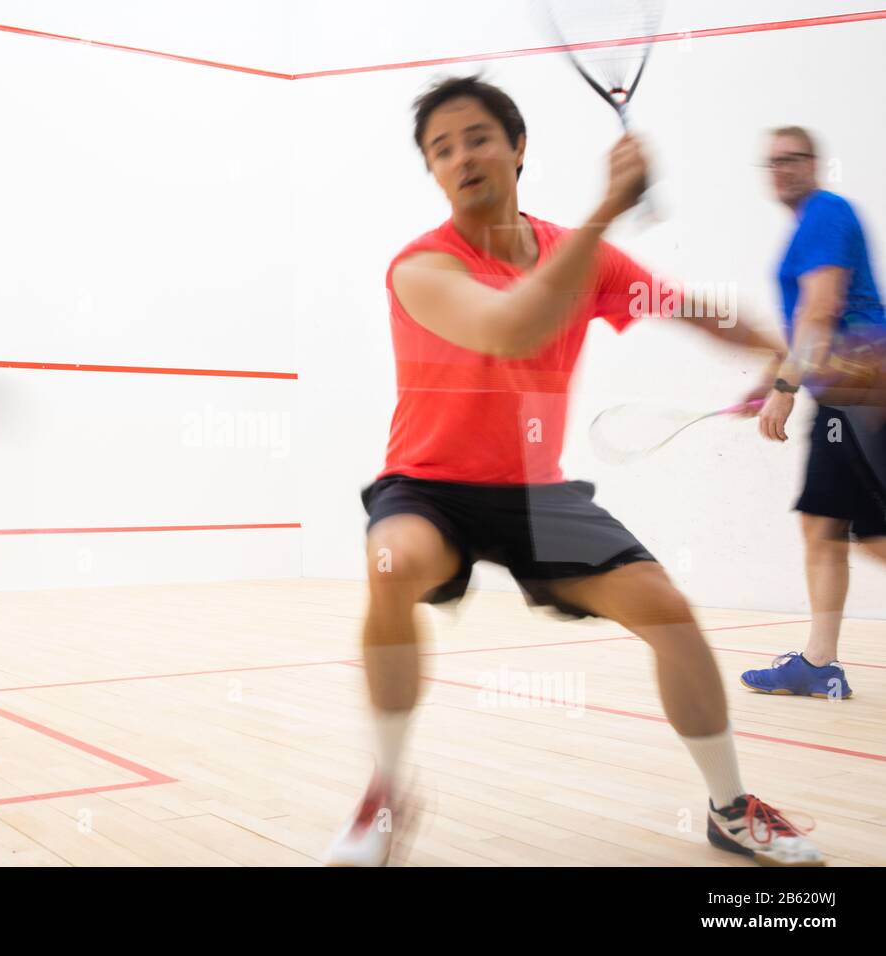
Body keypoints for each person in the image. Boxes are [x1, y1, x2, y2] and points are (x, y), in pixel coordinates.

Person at [324, 76, 823, 867]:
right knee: (392, 566)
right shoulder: (419, 268)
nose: (461, 158)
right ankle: (384, 794)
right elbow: (511, 328)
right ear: (432, 171)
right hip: (427, 487)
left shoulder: (579, 253)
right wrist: (605, 211)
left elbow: (692, 309)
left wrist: (777, 349)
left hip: (533, 492)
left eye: (477, 137)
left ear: (518, 147)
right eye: (441, 149)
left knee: (669, 613)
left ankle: (731, 809)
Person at [738, 126, 886, 700]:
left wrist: (783, 388)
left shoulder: (826, 212)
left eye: (793, 159)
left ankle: (819, 662)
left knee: (867, 536)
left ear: (814, 163)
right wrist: (768, 382)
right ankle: (819, 662)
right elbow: (805, 328)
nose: (782, 169)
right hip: (846, 396)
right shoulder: (807, 227)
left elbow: (821, 312)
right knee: (824, 527)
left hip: (862, 393)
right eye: (772, 162)